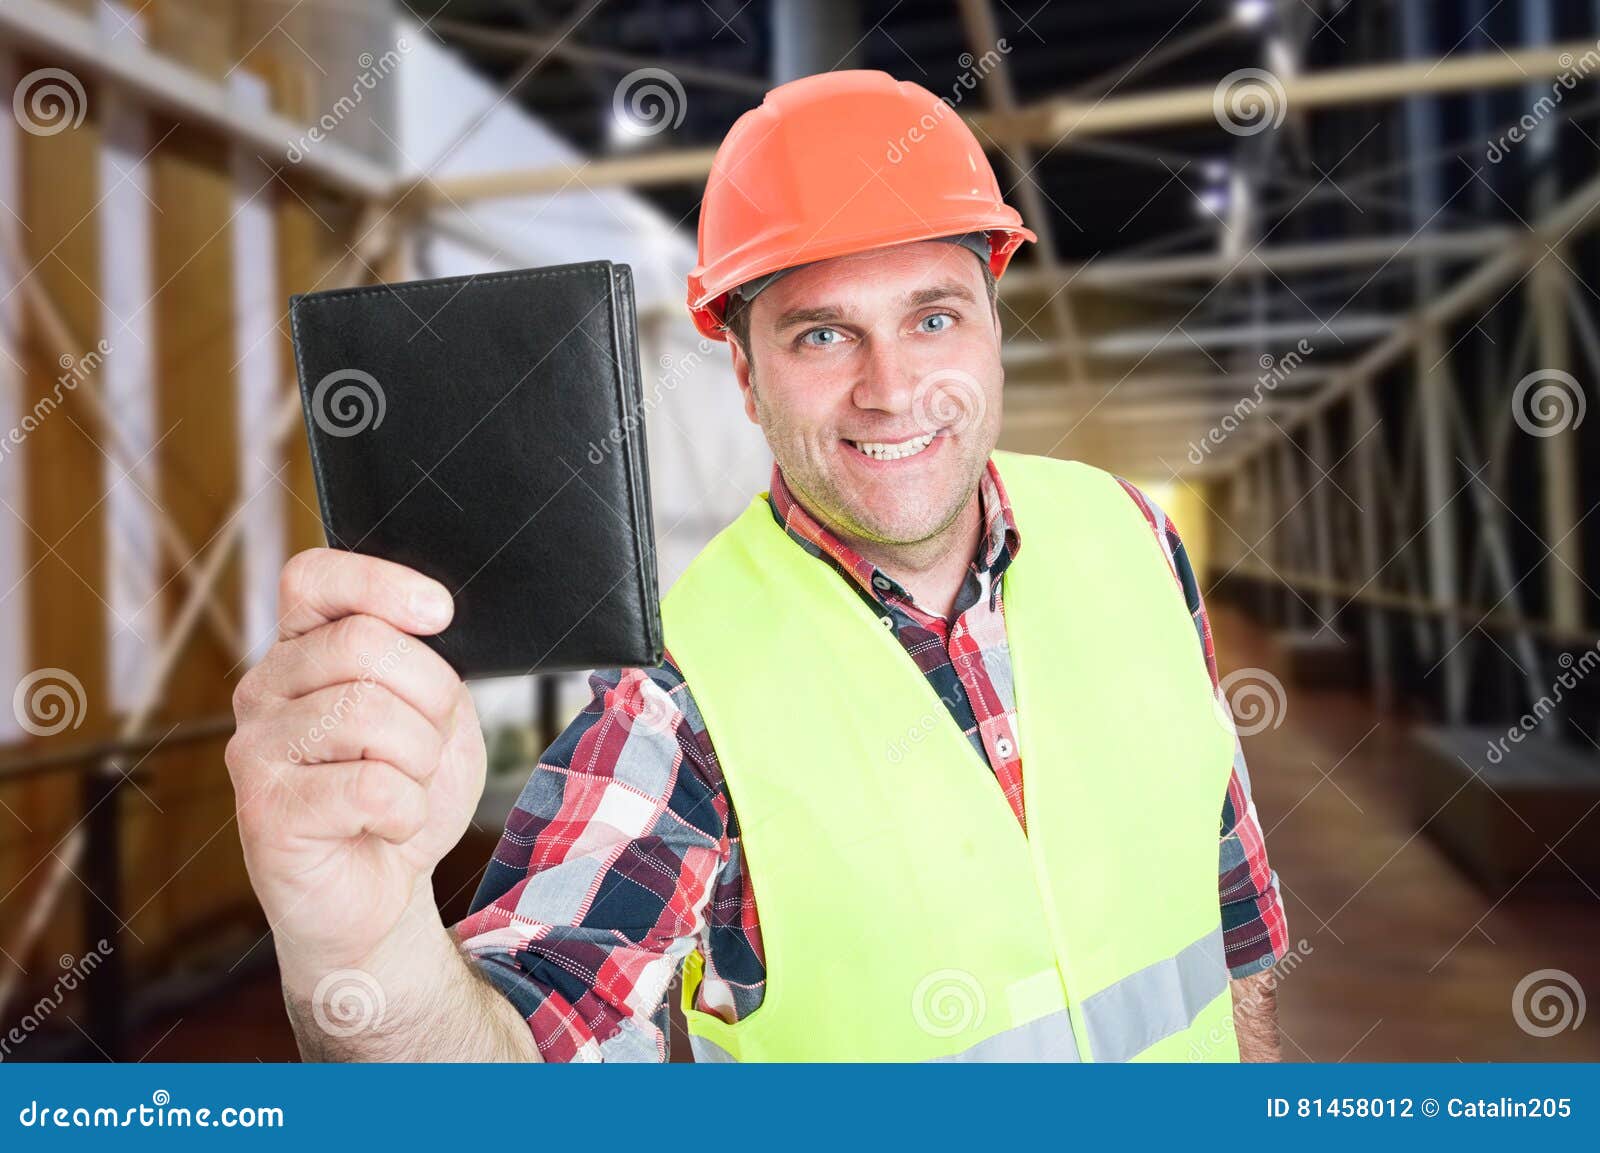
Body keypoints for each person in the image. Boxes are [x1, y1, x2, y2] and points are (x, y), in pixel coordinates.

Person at [226, 70, 1287, 1063]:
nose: (891, 386)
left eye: (932, 316)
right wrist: (369, 961)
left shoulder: (1127, 533)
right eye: (823, 336)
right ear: (742, 370)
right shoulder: (677, 699)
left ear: (992, 323)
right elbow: (532, 1058)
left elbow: (1231, 902)